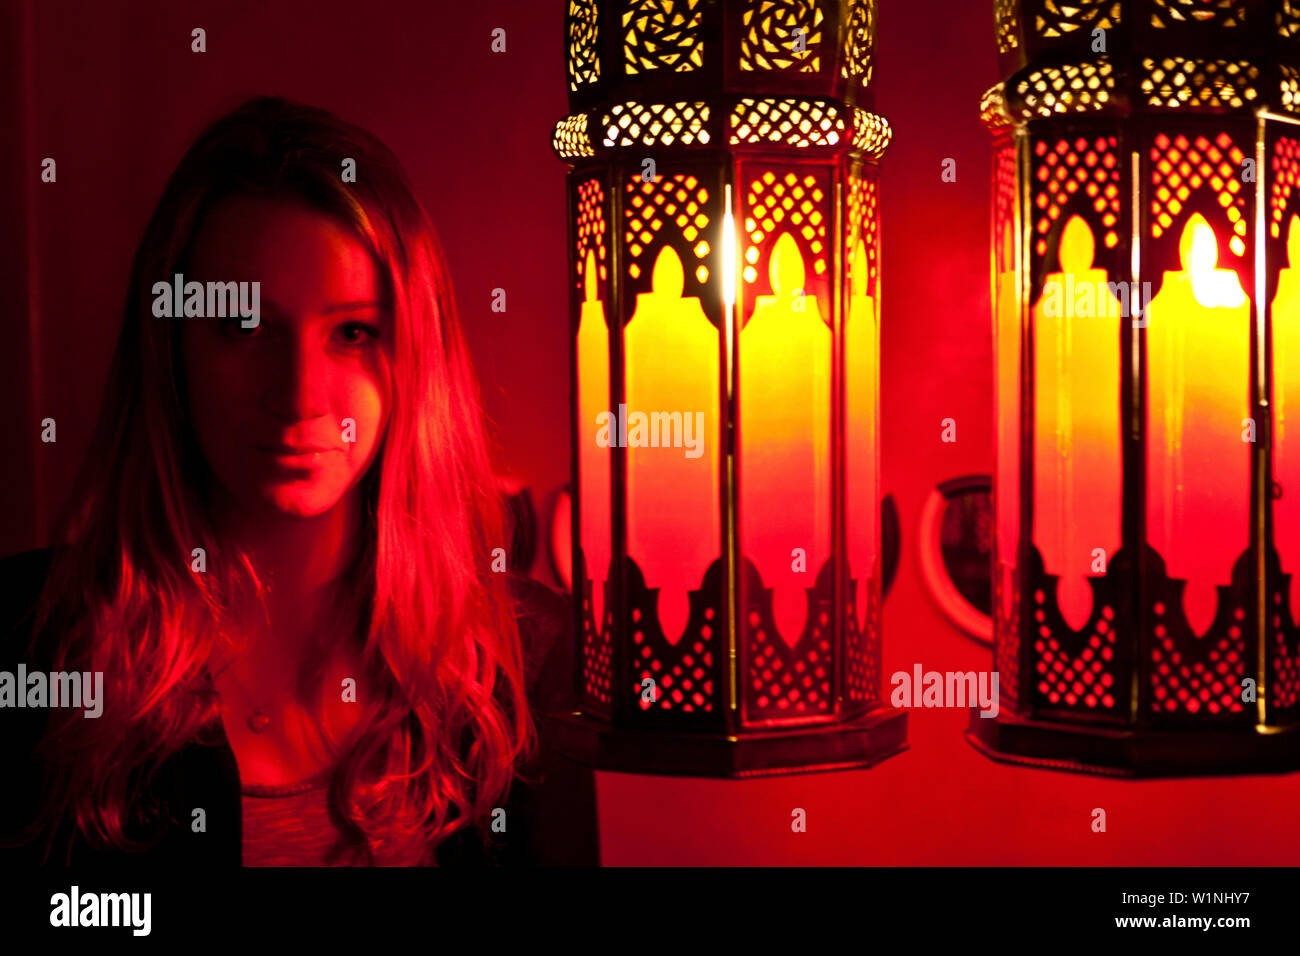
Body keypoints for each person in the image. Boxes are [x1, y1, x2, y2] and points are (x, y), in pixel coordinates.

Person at [0, 96, 597, 866]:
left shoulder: (524, 663)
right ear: (171, 350)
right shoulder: (30, 647)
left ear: (416, 356)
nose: (299, 396)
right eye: (244, 328)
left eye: (353, 332)